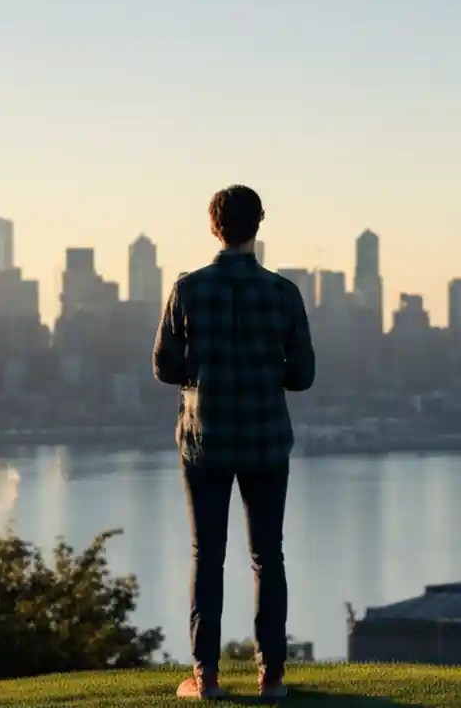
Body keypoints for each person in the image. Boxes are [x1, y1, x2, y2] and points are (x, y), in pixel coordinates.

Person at [153, 185, 316, 700]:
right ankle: (271, 678)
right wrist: (268, 371)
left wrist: (200, 374)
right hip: (266, 439)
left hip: (205, 441)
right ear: (260, 223)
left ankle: (206, 678)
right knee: (269, 557)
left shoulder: (188, 289)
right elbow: (304, 375)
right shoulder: (283, 293)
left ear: (213, 226)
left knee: (208, 556)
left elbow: (163, 365)